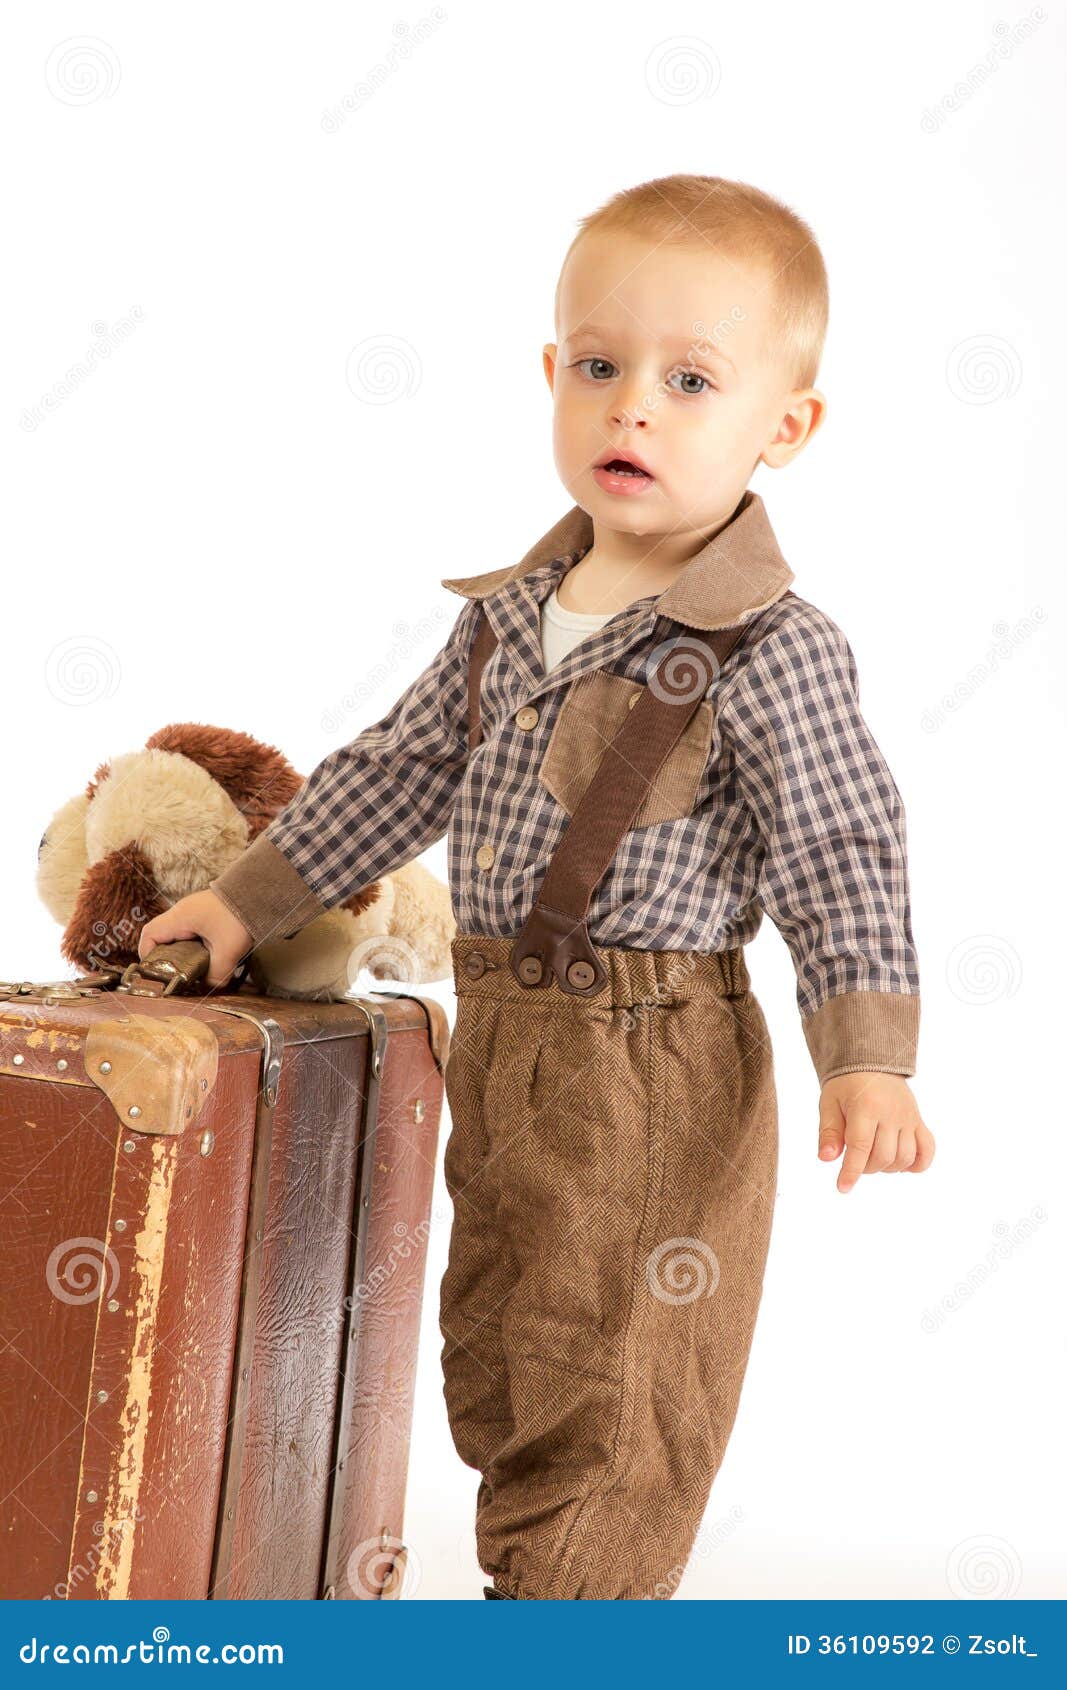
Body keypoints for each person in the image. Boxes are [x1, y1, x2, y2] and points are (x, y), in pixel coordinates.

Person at [139, 174, 935, 1600]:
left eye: (692, 381)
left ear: (786, 427)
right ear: (551, 373)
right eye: (600, 367)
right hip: (505, 1037)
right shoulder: (509, 615)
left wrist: (867, 1054)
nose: (634, 410)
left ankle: (570, 1623)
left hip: (651, 1058)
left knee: (616, 1371)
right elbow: (396, 771)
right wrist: (250, 901)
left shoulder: (773, 645)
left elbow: (842, 845)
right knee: (503, 1346)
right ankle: (536, 1587)